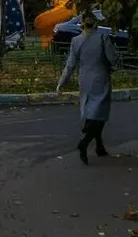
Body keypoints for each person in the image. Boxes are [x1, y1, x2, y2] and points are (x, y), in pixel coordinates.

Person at [56, 10, 118, 164]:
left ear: (81, 24)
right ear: (95, 22)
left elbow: (70, 64)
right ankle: (84, 143)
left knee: (91, 112)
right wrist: (114, 67)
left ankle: (99, 146)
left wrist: (61, 82)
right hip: (101, 78)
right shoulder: (103, 37)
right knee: (100, 115)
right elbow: (112, 58)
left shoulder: (76, 41)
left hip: (85, 80)